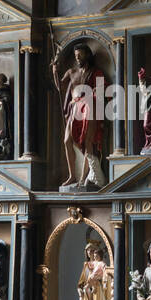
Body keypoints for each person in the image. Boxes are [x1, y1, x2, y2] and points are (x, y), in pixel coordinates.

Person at [51, 42, 107, 190]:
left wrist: (95, 92)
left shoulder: (95, 72)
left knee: (88, 142)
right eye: (76, 56)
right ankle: (72, 176)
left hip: (89, 108)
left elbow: (101, 89)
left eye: (80, 55)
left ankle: (83, 178)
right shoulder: (72, 72)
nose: (78, 58)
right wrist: (55, 71)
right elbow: (60, 87)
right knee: (67, 140)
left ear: (87, 55)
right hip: (75, 108)